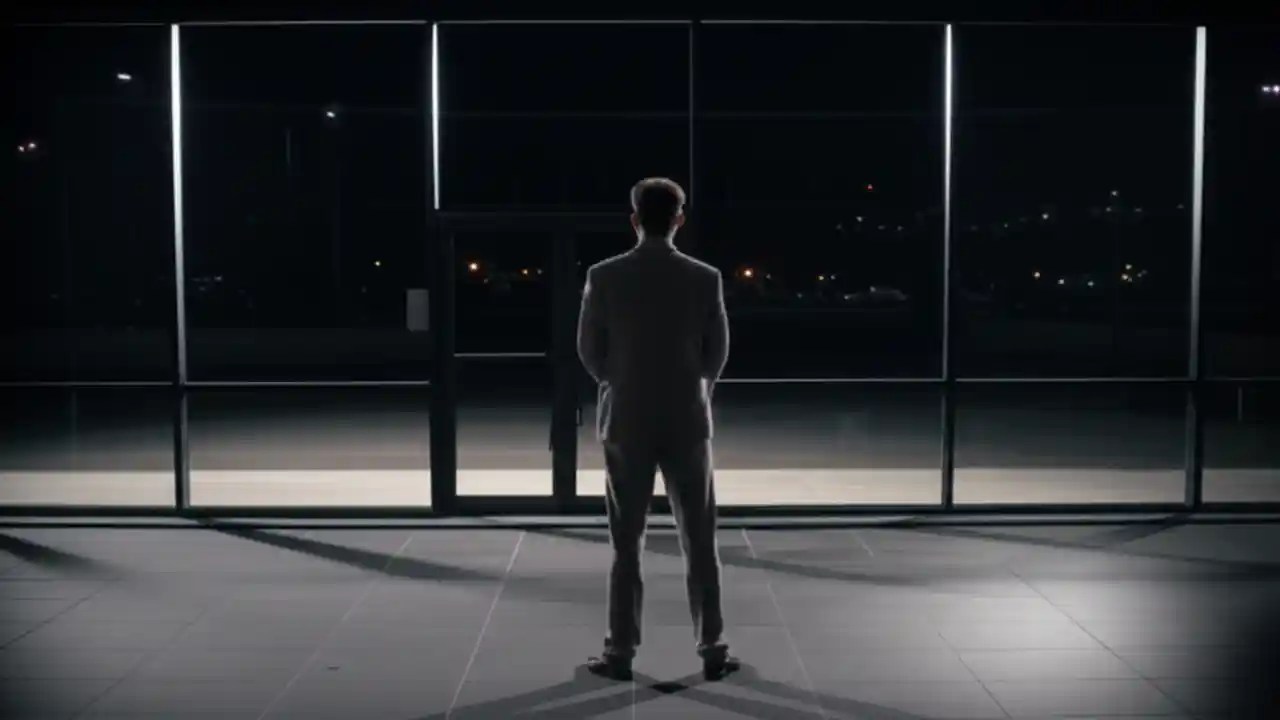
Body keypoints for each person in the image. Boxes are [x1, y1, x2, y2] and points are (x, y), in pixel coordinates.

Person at [576, 177, 739, 682]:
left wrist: (618, 381)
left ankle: (621, 652)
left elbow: (588, 350)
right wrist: (694, 386)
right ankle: (712, 649)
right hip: (687, 418)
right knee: (700, 538)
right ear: (678, 219)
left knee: (626, 543)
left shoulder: (604, 276)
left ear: (634, 219)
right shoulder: (705, 277)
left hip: (626, 419)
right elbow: (717, 352)